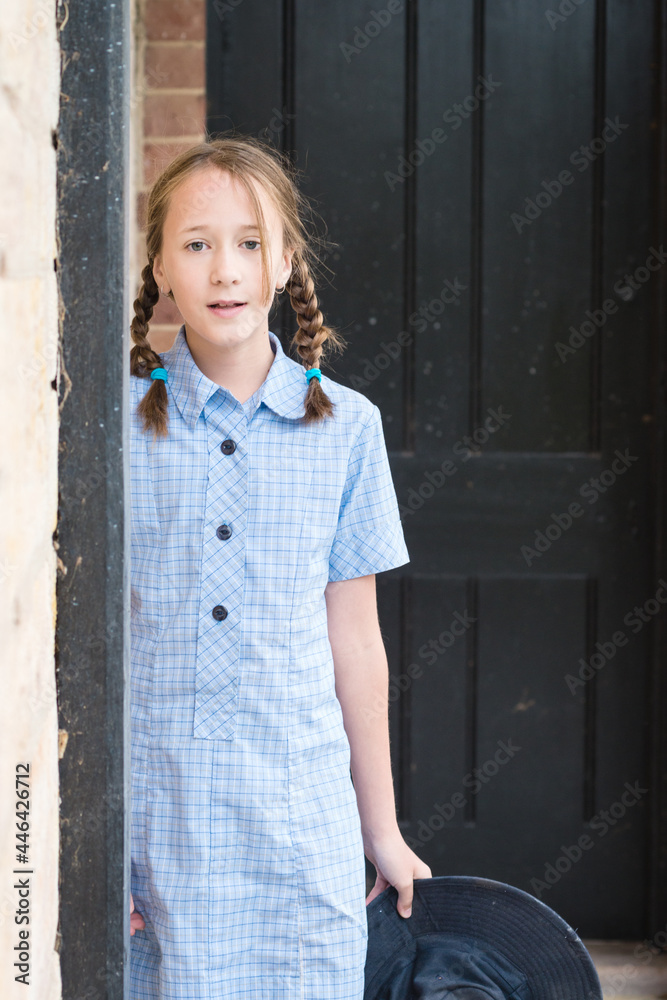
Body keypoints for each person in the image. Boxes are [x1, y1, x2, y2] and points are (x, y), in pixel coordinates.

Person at [128, 133, 430, 1000]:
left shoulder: (347, 428)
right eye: (196, 244)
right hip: (158, 828)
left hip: (298, 824)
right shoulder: (109, 430)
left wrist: (383, 831)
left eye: (249, 243)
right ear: (160, 266)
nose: (224, 269)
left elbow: (356, 645)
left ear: (284, 262)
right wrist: (79, 836)